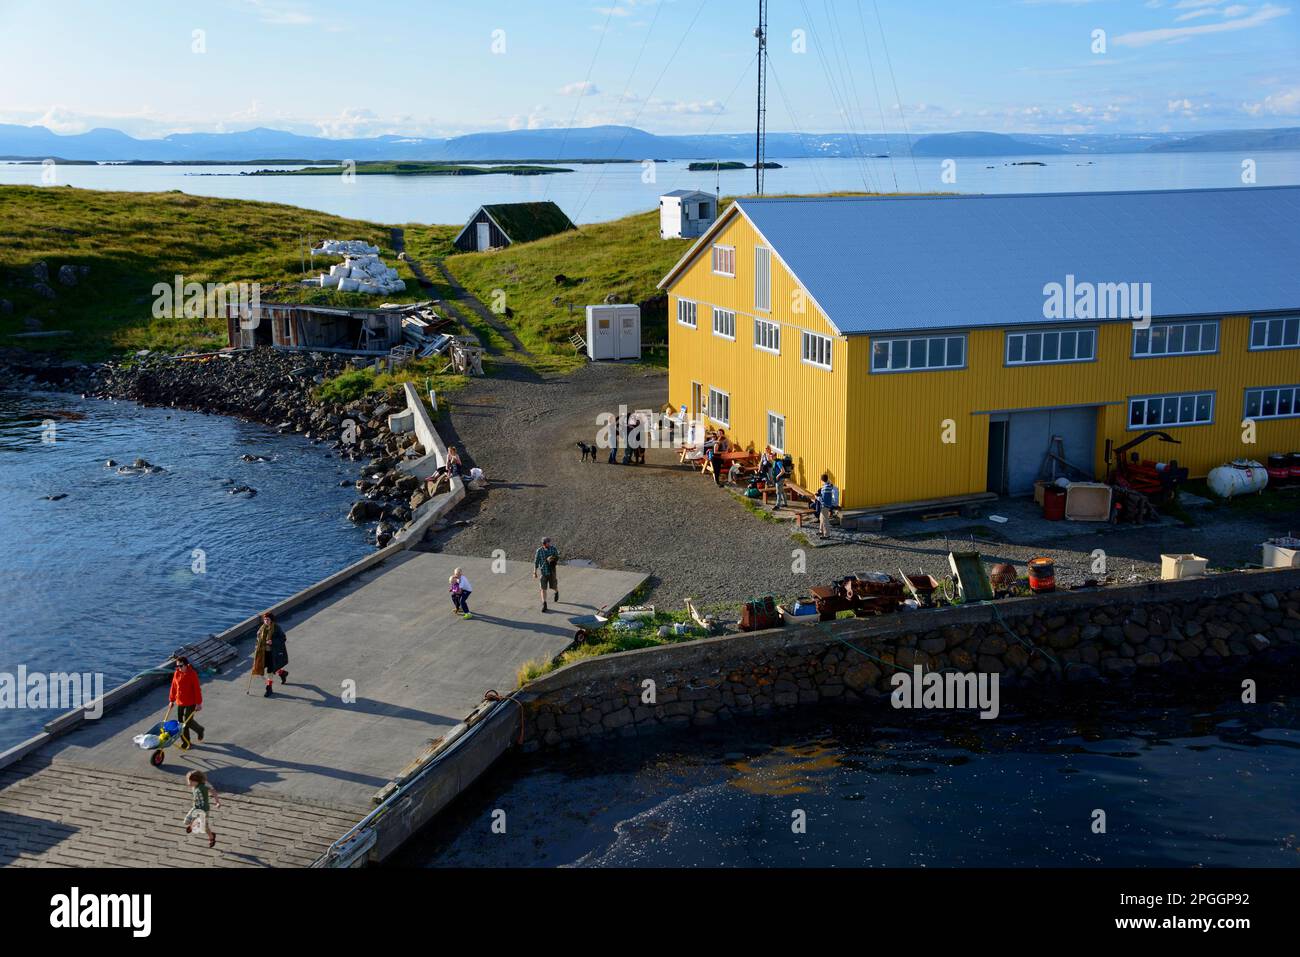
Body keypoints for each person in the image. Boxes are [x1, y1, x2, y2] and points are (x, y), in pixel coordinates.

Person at [169, 656, 204, 747]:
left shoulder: (192, 674)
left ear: (186, 665)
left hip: (191, 702)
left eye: (181, 666)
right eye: (177, 666)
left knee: (187, 722)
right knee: (180, 723)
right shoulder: (177, 673)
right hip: (180, 701)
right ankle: (186, 741)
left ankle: (199, 730)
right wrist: (171, 700)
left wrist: (198, 703)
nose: (179, 668)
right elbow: (173, 687)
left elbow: (197, 689)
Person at [253, 611, 289, 698]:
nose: (266, 621)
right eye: (265, 619)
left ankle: (269, 688)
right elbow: (258, 638)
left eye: (268, 619)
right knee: (260, 671)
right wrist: (257, 646)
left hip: (273, 653)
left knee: (270, 671)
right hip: (263, 653)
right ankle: (282, 673)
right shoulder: (262, 628)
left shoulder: (276, 628)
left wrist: (272, 641)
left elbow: (283, 638)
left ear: (271, 620)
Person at [183, 769, 222, 849]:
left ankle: (211, 837)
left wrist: (217, 802)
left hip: (204, 810)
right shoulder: (194, 787)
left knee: (204, 827)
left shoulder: (202, 787)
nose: (188, 783)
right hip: (195, 807)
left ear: (196, 781)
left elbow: (213, 791)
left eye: (190, 781)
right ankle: (193, 825)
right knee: (186, 821)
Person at [534, 537, 560, 611]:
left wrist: (552, 558)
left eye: (549, 542)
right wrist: (534, 572)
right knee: (543, 589)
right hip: (543, 572)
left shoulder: (553, 549)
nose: (549, 543)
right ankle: (544, 604)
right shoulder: (539, 551)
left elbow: (557, 557)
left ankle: (556, 592)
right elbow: (536, 561)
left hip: (552, 572)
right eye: (547, 542)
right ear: (544, 543)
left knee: (554, 586)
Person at [816, 473, 840, 538]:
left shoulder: (825, 488)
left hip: (825, 506)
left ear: (822, 480)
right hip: (827, 505)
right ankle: (821, 531)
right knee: (821, 518)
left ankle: (827, 534)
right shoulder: (829, 486)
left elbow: (824, 499)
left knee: (825, 520)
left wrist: (817, 497)